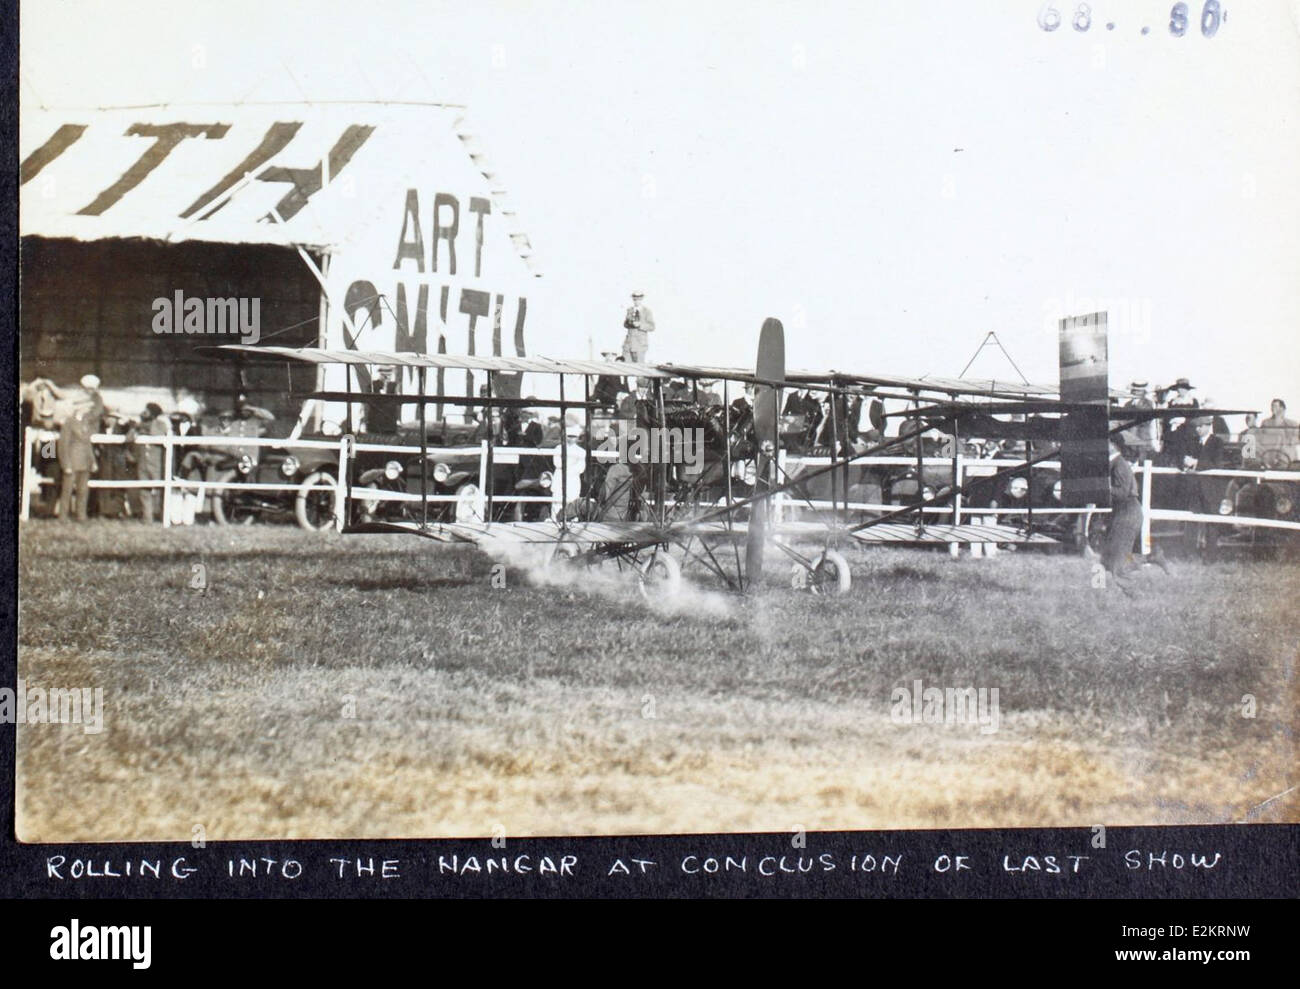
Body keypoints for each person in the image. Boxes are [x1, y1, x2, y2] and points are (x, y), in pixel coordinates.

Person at [56, 377, 105, 522]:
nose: (88, 409)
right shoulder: (69, 423)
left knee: (83, 490)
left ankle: (81, 516)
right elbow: (63, 444)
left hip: (85, 461)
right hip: (72, 461)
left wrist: (93, 461)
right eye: (86, 407)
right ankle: (63, 516)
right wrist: (66, 464)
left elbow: (87, 444)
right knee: (67, 489)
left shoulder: (87, 424)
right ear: (80, 408)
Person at [1102, 438, 1144, 593]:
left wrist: (1103, 486)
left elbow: (1122, 492)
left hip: (1128, 511)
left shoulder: (1119, 465)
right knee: (1108, 557)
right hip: (1124, 512)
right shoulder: (1116, 464)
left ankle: (1135, 596)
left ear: (1111, 446)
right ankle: (1151, 558)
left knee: (1118, 561)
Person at [128, 403, 171, 523]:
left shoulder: (160, 425)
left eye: (147, 411)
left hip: (157, 463)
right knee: (144, 491)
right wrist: (135, 427)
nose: (143, 413)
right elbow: (129, 438)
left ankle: (162, 515)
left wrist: (144, 427)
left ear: (153, 414)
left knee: (160, 489)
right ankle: (147, 518)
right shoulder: (139, 425)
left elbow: (157, 435)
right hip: (143, 462)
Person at [621, 291, 655, 363]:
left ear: (642, 299)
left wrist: (640, 325)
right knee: (626, 366)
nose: (636, 301)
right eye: (635, 299)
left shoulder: (647, 311)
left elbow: (652, 327)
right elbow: (625, 324)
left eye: (638, 299)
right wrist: (628, 323)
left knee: (639, 367)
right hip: (629, 343)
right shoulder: (630, 310)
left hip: (640, 344)